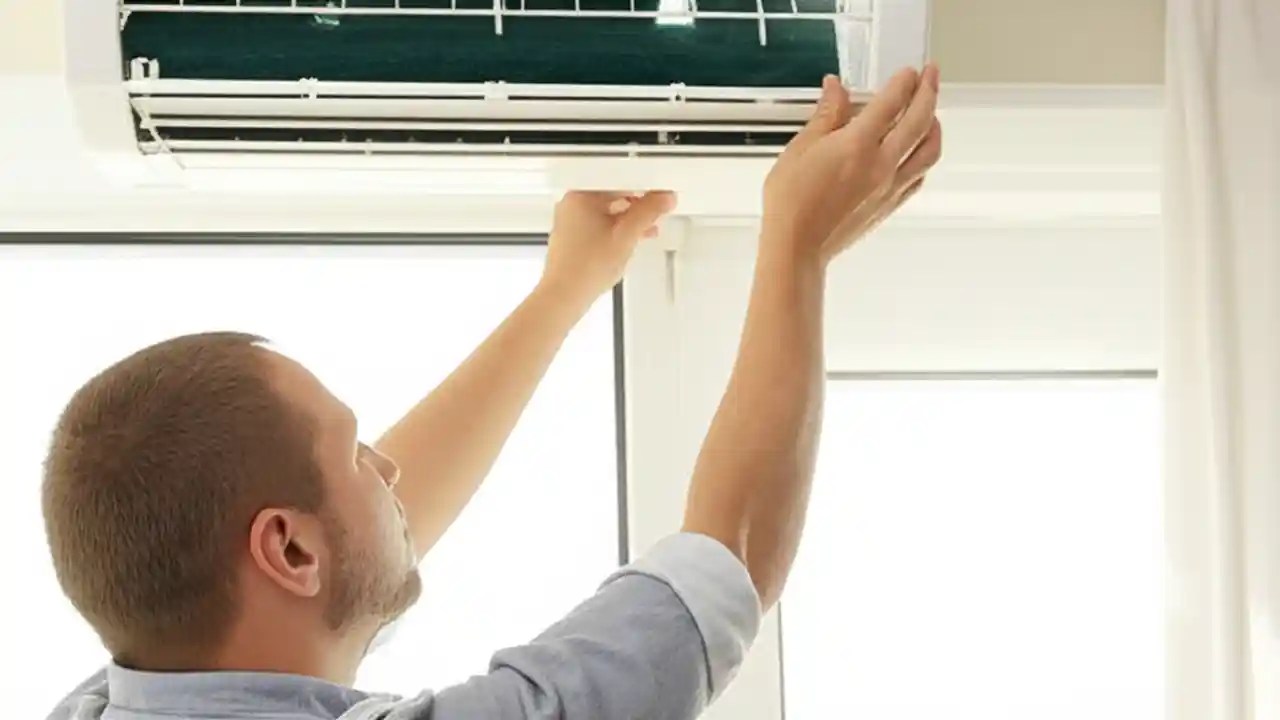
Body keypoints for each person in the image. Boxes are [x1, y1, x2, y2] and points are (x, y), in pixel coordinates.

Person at [43, 65, 941, 720]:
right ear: (286, 549)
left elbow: (353, 540)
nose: (388, 465)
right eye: (358, 452)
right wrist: (799, 248)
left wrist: (564, 293)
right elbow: (727, 566)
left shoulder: (124, 696)